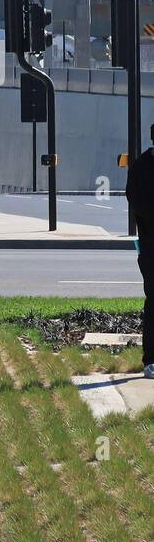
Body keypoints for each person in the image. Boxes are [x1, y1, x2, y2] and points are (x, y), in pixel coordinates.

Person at [125, 124, 154, 378]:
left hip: (148, 245)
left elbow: (134, 201)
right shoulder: (142, 168)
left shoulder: (138, 167)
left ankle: (151, 360)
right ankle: (151, 360)